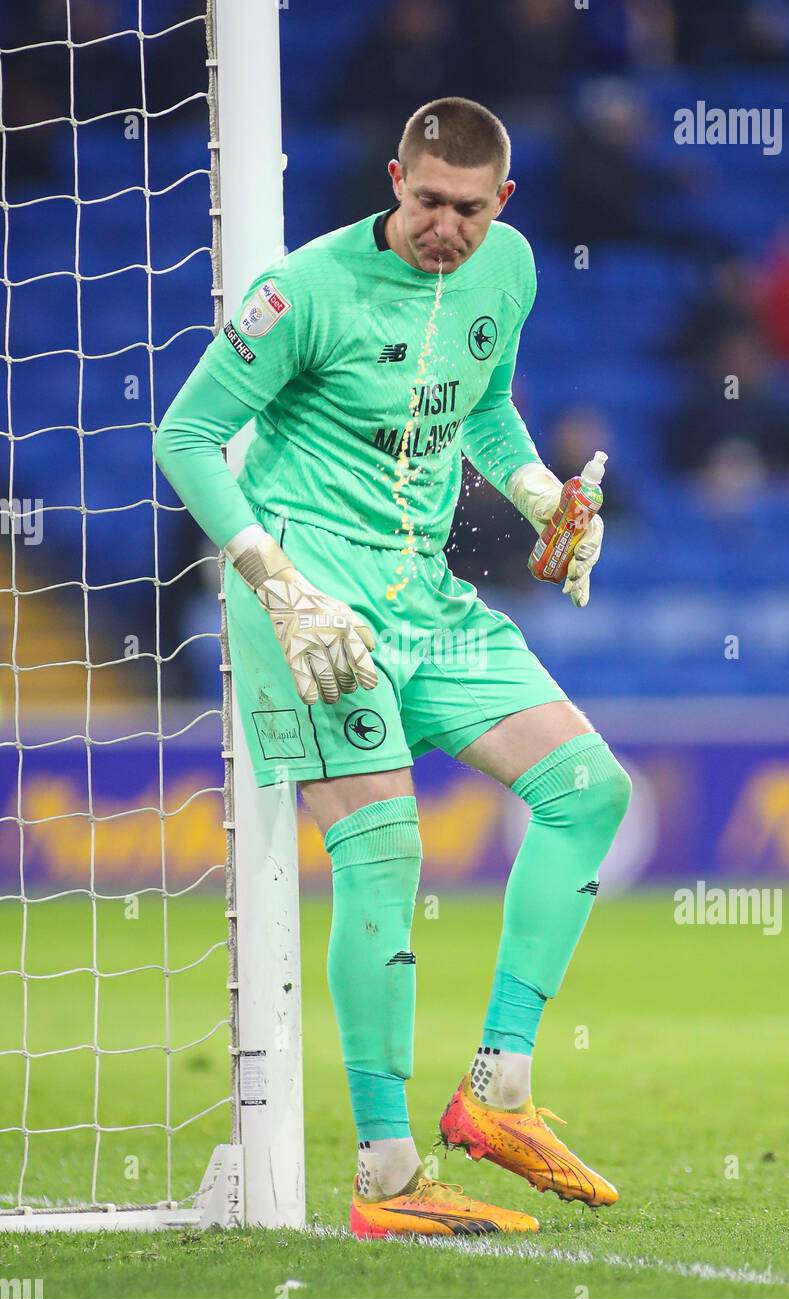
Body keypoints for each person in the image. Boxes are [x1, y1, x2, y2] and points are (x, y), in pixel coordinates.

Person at [155, 97, 631, 1241]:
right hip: (311, 608)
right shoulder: (302, 292)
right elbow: (181, 437)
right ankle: (384, 1173)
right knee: (385, 851)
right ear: (392, 182)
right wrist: (276, 582)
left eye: (467, 209)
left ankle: (499, 1089)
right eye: (425, 202)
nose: (444, 229)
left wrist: (538, 501)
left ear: (499, 205)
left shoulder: (506, 269)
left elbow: (490, 411)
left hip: (426, 598)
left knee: (587, 788)